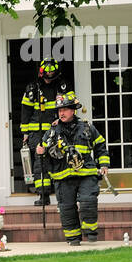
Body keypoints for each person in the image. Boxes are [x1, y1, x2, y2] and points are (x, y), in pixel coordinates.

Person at [36, 90, 109, 245]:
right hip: (62, 177)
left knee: (88, 200)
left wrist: (103, 164)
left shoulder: (87, 128)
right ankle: (73, 238)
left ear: (73, 110)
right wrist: (40, 151)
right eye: (59, 110)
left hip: (86, 173)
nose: (61, 113)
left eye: (64, 110)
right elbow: (42, 150)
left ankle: (90, 230)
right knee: (67, 208)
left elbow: (101, 145)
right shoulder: (52, 132)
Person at [19, 58, 72, 205]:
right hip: (37, 133)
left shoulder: (63, 86)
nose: (49, 78)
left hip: (58, 129)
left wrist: (62, 121)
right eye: (46, 74)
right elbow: (26, 111)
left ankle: (63, 194)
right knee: (40, 163)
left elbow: (71, 105)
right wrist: (25, 133)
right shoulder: (32, 88)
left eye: (52, 74)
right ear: (42, 73)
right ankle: (43, 195)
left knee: (60, 159)